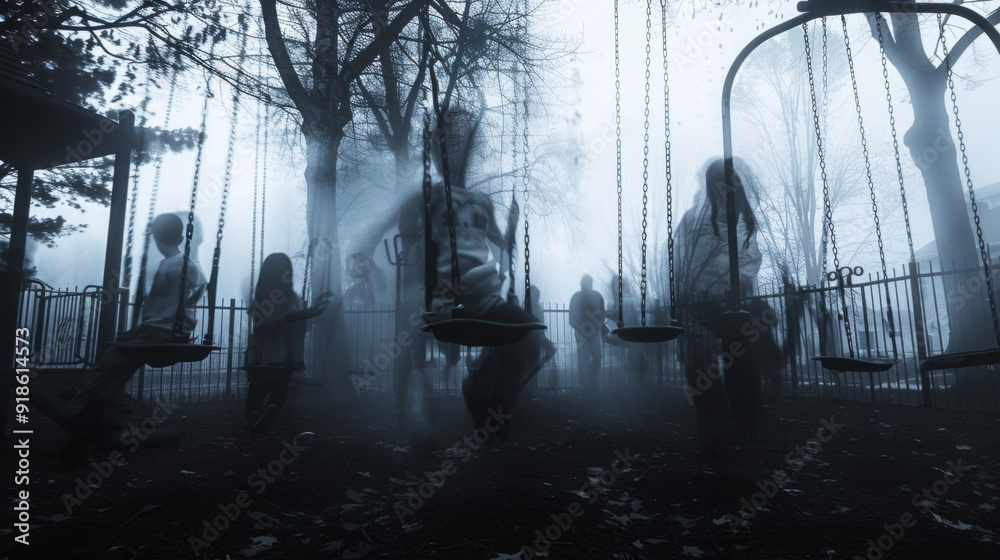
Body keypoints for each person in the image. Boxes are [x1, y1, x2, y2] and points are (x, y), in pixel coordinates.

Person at [350, 105, 547, 439]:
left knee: (531, 340)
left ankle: (484, 390)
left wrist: (512, 229)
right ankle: (418, 414)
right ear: (438, 155)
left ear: (470, 153)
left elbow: (501, 246)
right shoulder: (428, 194)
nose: (454, 155)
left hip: (484, 296)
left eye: (461, 147)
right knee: (412, 337)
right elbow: (379, 225)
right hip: (446, 296)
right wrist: (361, 255)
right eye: (448, 147)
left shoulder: (482, 200)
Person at [66, 213, 207, 442]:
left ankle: (77, 409)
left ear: (155, 238)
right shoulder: (186, 263)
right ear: (181, 239)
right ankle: (106, 409)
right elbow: (201, 284)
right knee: (124, 364)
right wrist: (188, 303)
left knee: (106, 367)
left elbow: (157, 311)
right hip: (172, 332)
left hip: (157, 331)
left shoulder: (168, 265)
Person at [674, 157, 767, 454]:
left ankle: (720, 437)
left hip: (702, 304)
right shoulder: (743, 216)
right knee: (741, 364)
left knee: (702, 367)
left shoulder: (696, 219)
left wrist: (683, 299)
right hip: (736, 304)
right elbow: (750, 261)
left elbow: (682, 261)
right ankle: (747, 432)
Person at [244, 253, 329, 436]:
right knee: (278, 391)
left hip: (262, 356)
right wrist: (297, 318)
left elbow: (260, 326)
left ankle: (255, 417)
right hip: (283, 356)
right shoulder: (291, 298)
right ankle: (266, 414)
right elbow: (293, 328)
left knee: (257, 392)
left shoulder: (261, 298)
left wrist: (305, 315)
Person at [569, 274, 605, 389]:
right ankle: (589, 385)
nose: (586, 285)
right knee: (588, 360)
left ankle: (588, 385)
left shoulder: (577, 297)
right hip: (585, 333)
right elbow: (602, 313)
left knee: (594, 359)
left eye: (588, 282)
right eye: (585, 282)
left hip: (586, 333)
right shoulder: (596, 296)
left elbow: (602, 314)